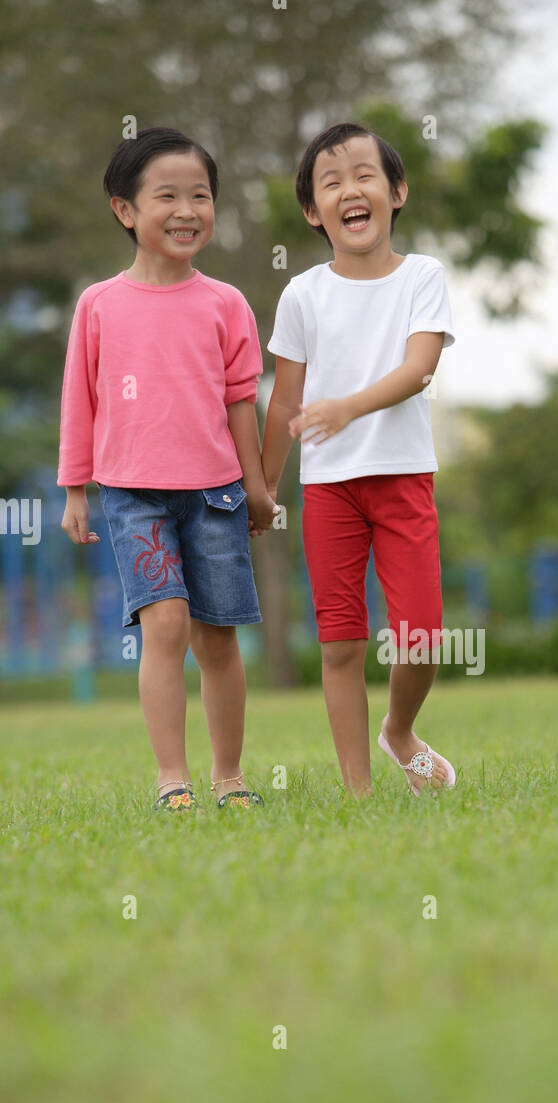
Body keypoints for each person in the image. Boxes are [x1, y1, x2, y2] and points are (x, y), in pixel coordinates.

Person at [58, 126, 278, 810]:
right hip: (133, 495)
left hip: (216, 496)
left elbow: (241, 404)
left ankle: (230, 778)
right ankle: (171, 779)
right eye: (168, 197)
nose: (188, 211)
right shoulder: (99, 303)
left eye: (201, 196)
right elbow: (79, 398)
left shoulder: (226, 303)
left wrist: (258, 488)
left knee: (217, 637)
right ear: (125, 209)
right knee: (165, 625)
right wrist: (74, 489)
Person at [262, 122, 457, 798]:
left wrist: (347, 407)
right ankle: (358, 792)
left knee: (421, 638)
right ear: (313, 211)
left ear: (396, 192)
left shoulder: (423, 276)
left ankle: (399, 732)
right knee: (341, 643)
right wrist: (264, 488)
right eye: (332, 182)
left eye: (365, 175)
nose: (351, 190)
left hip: (404, 478)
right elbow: (284, 400)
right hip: (328, 490)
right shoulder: (302, 295)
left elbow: (420, 368)